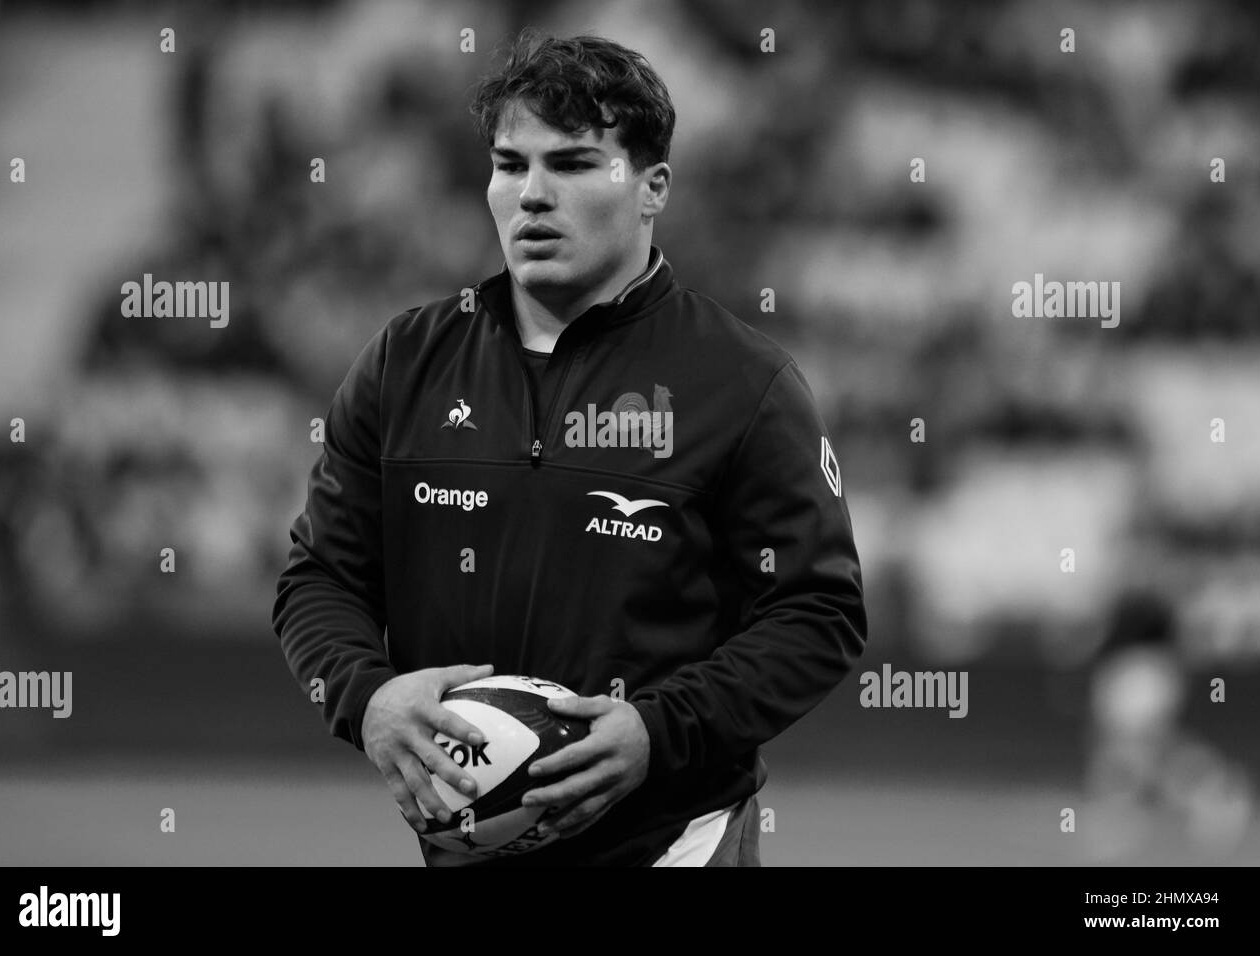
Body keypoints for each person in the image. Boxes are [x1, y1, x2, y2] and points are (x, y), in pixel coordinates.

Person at [272, 29, 868, 867]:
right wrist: (366, 700)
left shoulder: (745, 384)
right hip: (470, 851)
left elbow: (818, 614)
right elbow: (320, 578)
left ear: (652, 185)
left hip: (673, 843)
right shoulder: (405, 363)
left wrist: (660, 732)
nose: (532, 195)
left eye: (575, 164)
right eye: (510, 165)